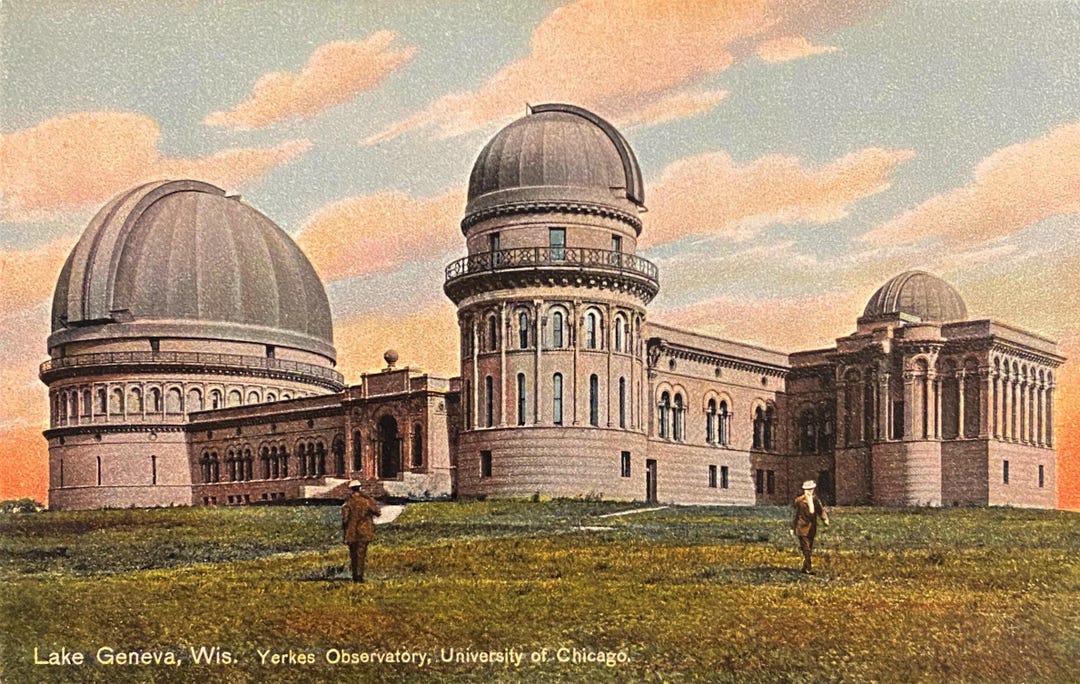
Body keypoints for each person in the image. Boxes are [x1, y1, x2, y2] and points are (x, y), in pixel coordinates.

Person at [341, 480, 380, 582]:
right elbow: (377, 512)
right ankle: (359, 576)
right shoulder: (366, 501)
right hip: (364, 531)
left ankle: (355, 576)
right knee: (361, 554)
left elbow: (345, 519)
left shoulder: (348, 502)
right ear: (360, 488)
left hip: (351, 532)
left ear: (351, 490)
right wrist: (369, 498)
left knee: (353, 555)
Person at [791, 479, 829, 574]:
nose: (810, 491)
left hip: (812, 527)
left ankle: (805, 567)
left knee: (809, 546)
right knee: (806, 547)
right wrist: (793, 527)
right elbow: (795, 514)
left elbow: (820, 510)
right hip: (802, 526)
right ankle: (808, 567)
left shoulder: (815, 500)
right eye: (808, 489)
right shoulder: (799, 501)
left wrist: (825, 519)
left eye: (811, 489)